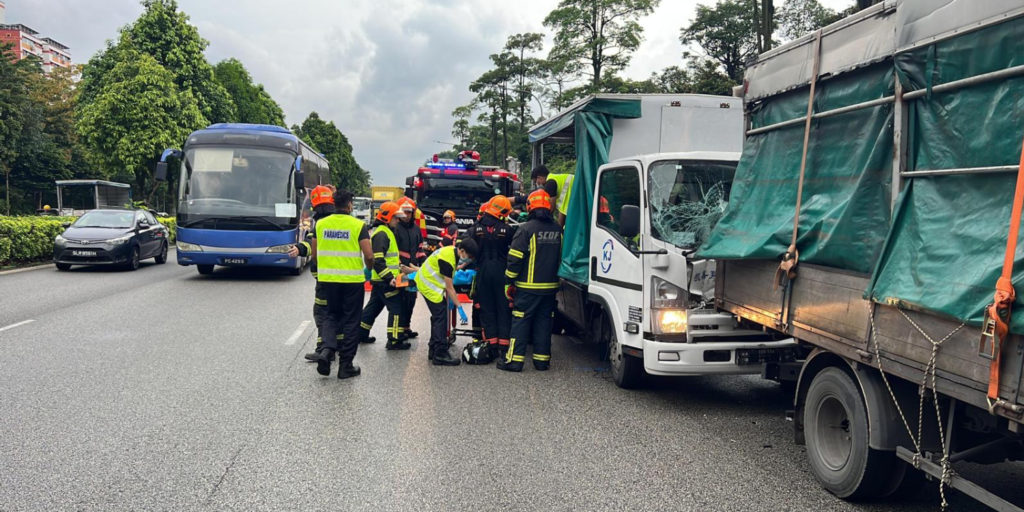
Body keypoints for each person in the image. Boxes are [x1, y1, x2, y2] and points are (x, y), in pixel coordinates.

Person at [289, 189, 373, 379]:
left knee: (329, 316)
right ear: (350, 205)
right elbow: (368, 254)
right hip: (352, 282)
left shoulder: (321, 224)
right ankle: (346, 366)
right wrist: (369, 268)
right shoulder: (358, 225)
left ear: (334, 204)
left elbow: (316, 254)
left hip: (327, 280)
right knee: (351, 321)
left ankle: (326, 352)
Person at [498, 190, 563, 372]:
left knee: (521, 321)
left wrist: (509, 280)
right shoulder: (558, 230)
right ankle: (542, 361)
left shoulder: (526, 229)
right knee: (544, 322)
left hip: (527, 287)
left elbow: (515, 258)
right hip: (550, 288)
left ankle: (515, 362)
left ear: (530, 207)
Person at [355, 201, 412, 350]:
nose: (397, 221)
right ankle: (394, 340)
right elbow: (378, 261)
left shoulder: (385, 232)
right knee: (397, 308)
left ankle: (360, 333)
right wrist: (390, 279)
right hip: (386, 280)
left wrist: (401, 270)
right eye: (395, 218)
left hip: (382, 279)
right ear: (387, 218)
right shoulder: (382, 234)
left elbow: (388, 258)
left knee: (373, 307)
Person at [416, 238, 479, 366]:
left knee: (439, 315)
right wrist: (460, 308)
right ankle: (440, 353)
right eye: (469, 256)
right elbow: (450, 288)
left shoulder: (452, 252)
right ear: (461, 250)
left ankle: (433, 349)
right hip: (428, 285)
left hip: (429, 283)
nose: (469, 259)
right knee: (441, 316)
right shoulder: (448, 260)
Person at [469, 195, 514, 359]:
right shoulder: (508, 230)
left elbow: (466, 250)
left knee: (486, 309)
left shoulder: (475, 229)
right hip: (502, 273)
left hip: (482, 273)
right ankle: (504, 347)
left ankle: (491, 346)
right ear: (502, 212)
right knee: (503, 308)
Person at [302, 185, 336, 362]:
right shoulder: (341, 219)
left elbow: (310, 244)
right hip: (345, 278)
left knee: (322, 313)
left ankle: (323, 349)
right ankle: (335, 347)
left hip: (325, 278)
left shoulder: (320, 223)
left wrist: (299, 248)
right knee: (337, 313)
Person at [395, 197, 426, 341]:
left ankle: (406, 327)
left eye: (409, 212)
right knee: (402, 299)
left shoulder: (416, 229)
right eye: (404, 212)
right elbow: (393, 251)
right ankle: (399, 329)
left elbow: (420, 249)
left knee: (411, 299)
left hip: (413, 271)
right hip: (401, 270)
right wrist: (401, 266)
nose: (407, 215)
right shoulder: (395, 228)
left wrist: (423, 264)